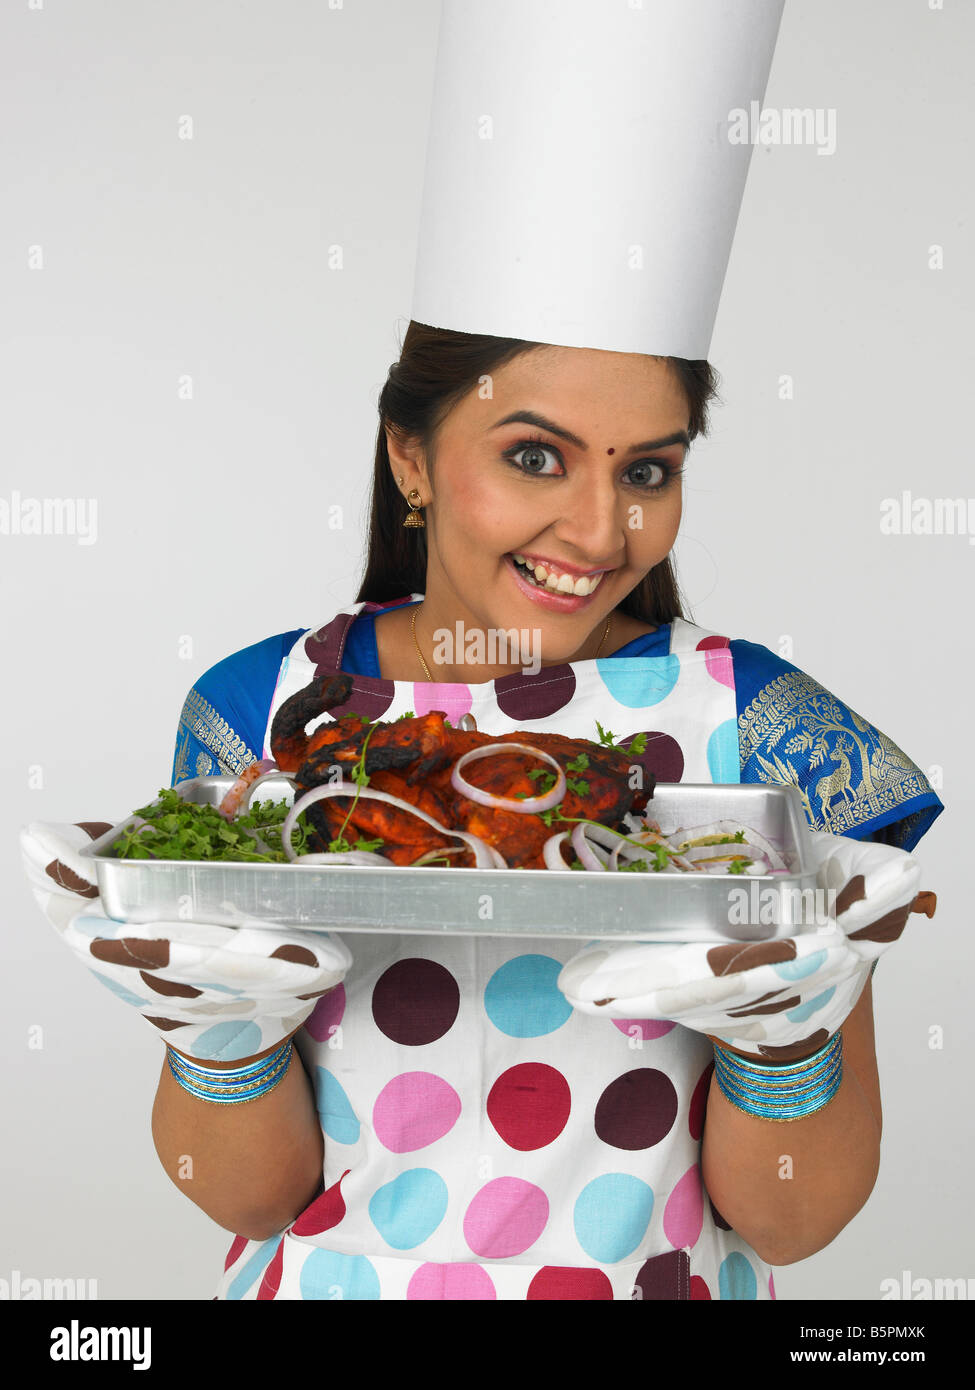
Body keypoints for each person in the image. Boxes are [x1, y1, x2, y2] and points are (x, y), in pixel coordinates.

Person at [151, 323, 940, 1298]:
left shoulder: (766, 733)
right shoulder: (258, 715)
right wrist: (219, 1025)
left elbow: (793, 1219)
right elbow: (246, 1197)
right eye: (535, 458)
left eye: (648, 472)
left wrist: (778, 1044)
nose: (603, 532)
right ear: (412, 458)